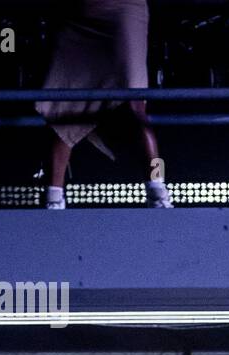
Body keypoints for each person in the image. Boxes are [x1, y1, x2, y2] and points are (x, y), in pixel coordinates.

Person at [36, 0, 171, 210]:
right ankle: (53, 198)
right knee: (63, 106)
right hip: (76, 15)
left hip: (122, 9)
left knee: (133, 103)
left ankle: (158, 193)